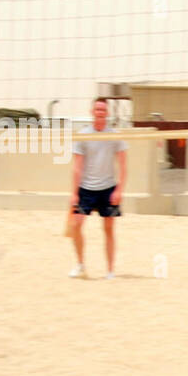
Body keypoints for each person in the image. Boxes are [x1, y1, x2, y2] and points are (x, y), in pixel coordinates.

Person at [68, 98, 127, 279]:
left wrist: (119, 190)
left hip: (108, 188)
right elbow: (77, 167)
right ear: (92, 111)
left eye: (103, 110)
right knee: (76, 226)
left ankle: (110, 271)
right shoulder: (84, 134)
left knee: (108, 229)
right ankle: (80, 265)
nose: (100, 112)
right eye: (97, 109)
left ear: (107, 113)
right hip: (86, 188)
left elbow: (123, 167)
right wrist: (74, 193)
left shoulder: (115, 135)